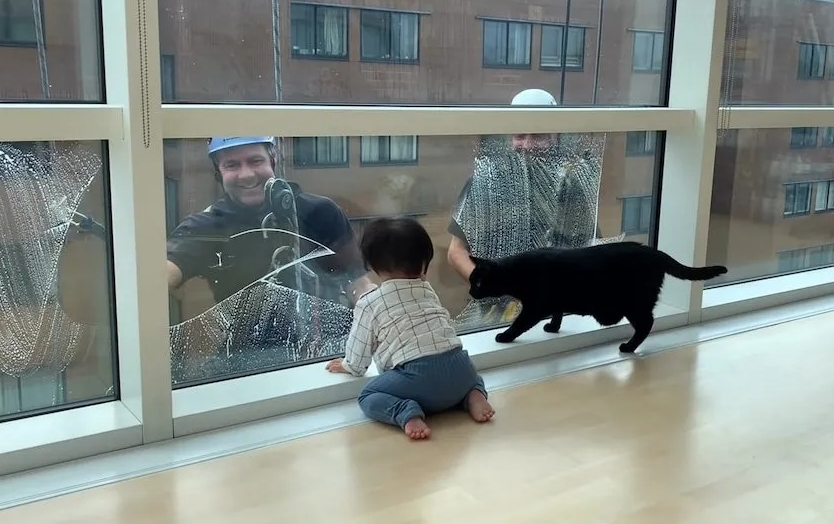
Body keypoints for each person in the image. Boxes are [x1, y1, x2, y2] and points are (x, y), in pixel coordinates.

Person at [165, 136, 375, 381]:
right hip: (248, 365)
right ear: (218, 172)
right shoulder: (206, 227)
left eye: (255, 161)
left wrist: (387, 317)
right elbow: (162, 276)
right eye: (232, 165)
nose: (246, 174)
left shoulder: (319, 213)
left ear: (273, 160)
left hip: (324, 358)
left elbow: (358, 285)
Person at [446, 88, 606, 330]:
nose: (527, 145)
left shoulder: (569, 187)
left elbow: (590, 252)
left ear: (556, 137)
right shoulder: (486, 182)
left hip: (555, 316)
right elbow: (456, 252)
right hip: (493, 317)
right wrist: (497, 290)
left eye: (539, 136)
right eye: (520, 135)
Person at [326, 216, 495, 440]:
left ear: (374, 267)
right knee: (473, 378)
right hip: (461, 367)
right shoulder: (427, 290)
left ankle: (406, 412)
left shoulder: (370, 302)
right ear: (424, 263)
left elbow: (359, 354)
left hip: (416, 377)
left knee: (368, 395)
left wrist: (349, 366)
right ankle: (473, 394)